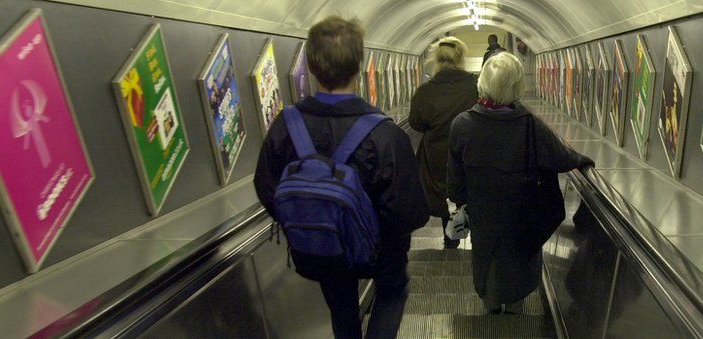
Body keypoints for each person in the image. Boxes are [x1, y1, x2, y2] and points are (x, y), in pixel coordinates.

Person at [253, 16, 428, 339]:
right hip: (380, 253)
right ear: (360, 65)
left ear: (311, 66)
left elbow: (266, 186)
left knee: (341, 306)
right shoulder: (385, 133)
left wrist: (313, 218)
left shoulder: (286, 124)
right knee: (394, 290)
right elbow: (409, 211)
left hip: (324, 247)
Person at [447, 52, 594, 314]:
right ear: (516, 86)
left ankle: (491, 308)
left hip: (483, 214)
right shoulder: (529, 124)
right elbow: (560, 157)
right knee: (520, 261)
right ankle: (515, 310)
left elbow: (455, 177)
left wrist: (460, 203)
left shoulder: (463, 124)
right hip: (522, 215)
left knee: (486, 260)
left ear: (483, 82)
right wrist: (584, 161)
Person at [408, 37, 479, 249]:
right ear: (461, 58)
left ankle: (451, 238)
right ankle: (478, 242)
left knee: (444, 193)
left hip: (438, 155)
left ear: (436, 60)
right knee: (468, 192)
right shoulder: (476, 86)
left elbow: (416, 123)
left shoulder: (425, 91)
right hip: (470, 152)